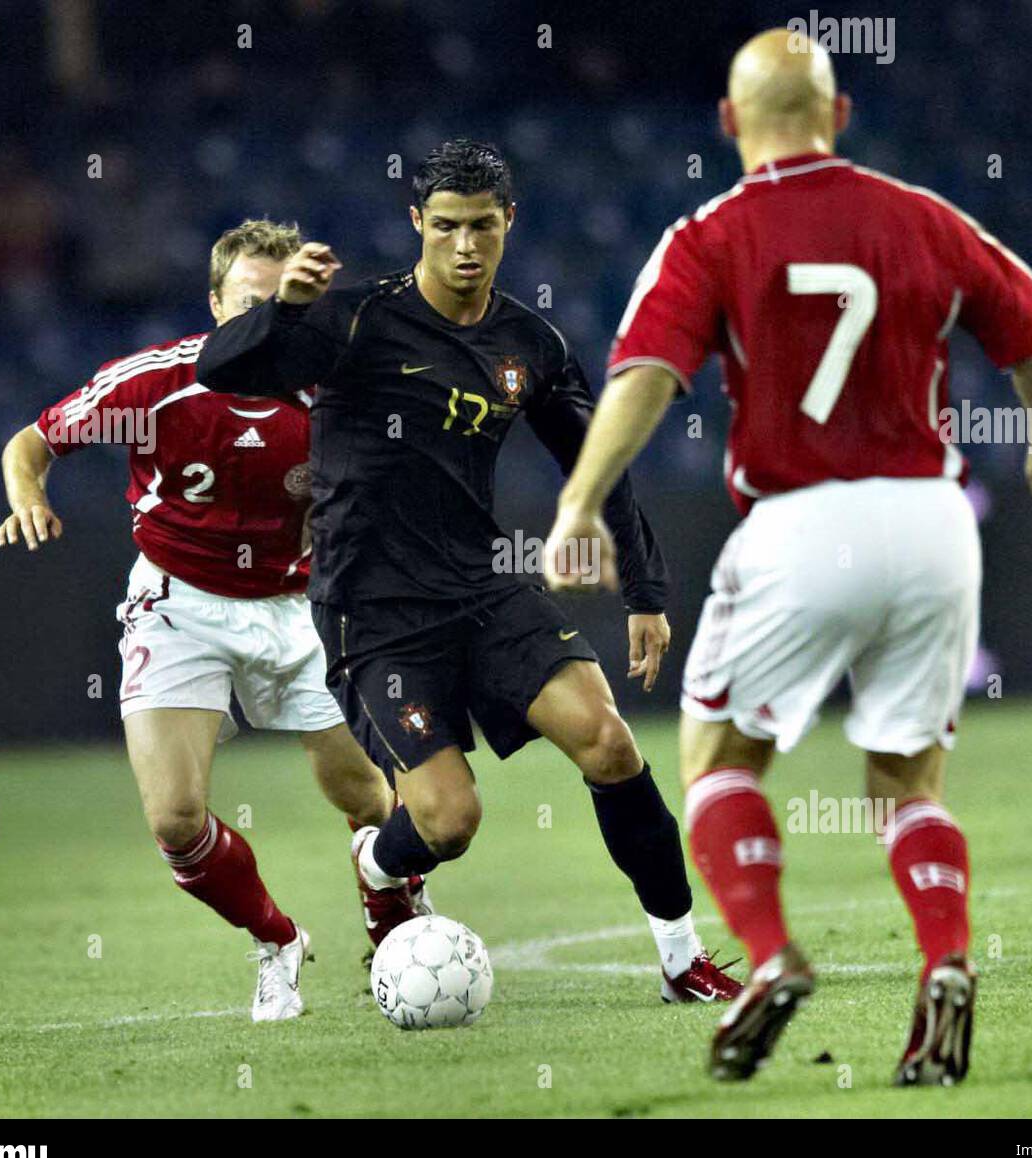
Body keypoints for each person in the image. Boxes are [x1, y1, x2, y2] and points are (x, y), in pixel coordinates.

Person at [544, 31, 1032, 1081]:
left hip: (801, 522)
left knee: (718, 757)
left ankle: (768, 956)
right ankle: (943, 958)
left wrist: (578, 502)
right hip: (934, 522)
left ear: (728, 122)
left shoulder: (710, 233)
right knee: (905, 780)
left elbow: (645, 376)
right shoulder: (925, 217)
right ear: (839, 117)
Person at [197, 141, 741, 1003]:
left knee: (608, 742)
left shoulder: (530, 341)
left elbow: (598, 459)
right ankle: (379, 865)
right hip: (373, 610)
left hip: (482, 587)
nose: (464, 245)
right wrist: (283, 313)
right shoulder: (353, 318)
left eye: (482, 226)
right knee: (449, 821)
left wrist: (645, 591)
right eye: (445, 226)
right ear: (417, 222)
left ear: (507, 223)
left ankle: (682, 962)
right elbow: (217, 369)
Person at [0, 219, 409, 1022]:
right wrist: (27, 498)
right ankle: (276, 940)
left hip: (299, 610)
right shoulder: (157, 387)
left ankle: (393, 917)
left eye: (286, 304)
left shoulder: (336, 393)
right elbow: (32, 442)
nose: (270, 322)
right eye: (251, 304)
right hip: (179, 606)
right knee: (176, 820)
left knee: (372, 798)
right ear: (216, 305)